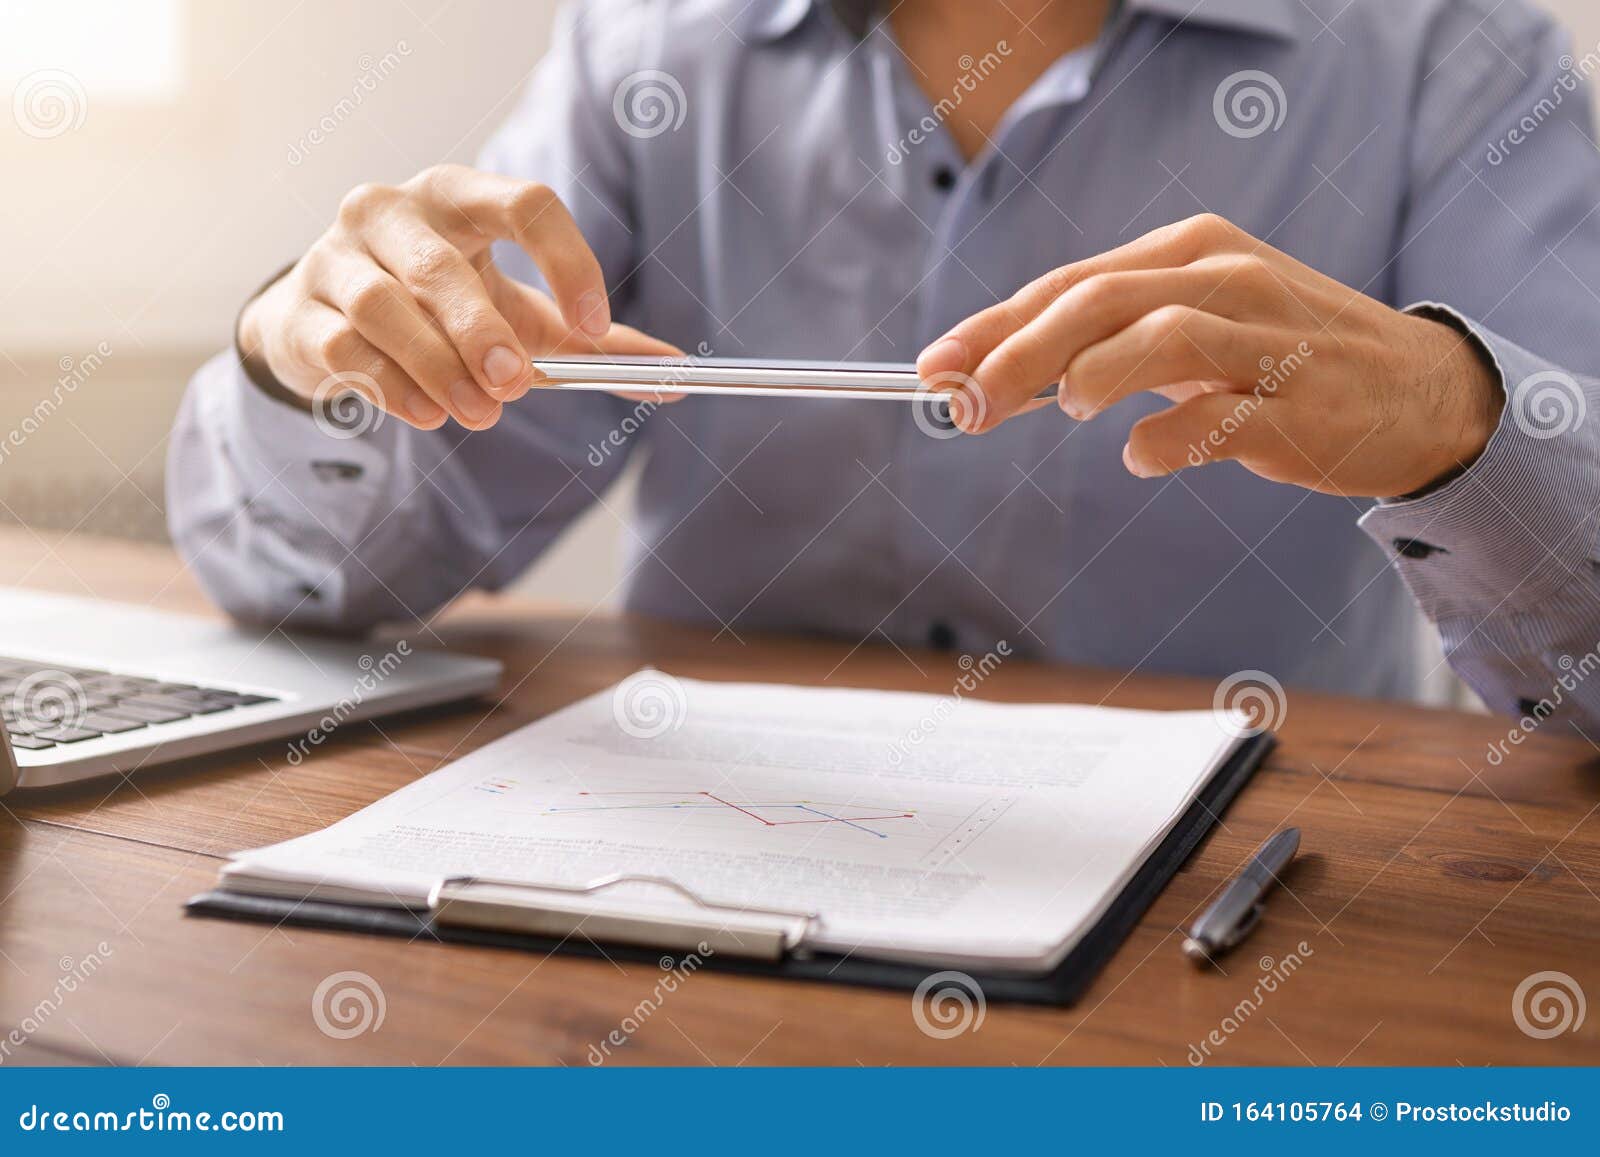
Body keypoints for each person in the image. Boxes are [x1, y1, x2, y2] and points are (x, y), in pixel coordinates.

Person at [168, 0, 1600, 728]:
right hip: (688, 890)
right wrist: (310, 362)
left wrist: (1456, 418)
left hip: (1231, 938)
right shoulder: (651, 43)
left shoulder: (1441, 54)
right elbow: (336, 582)